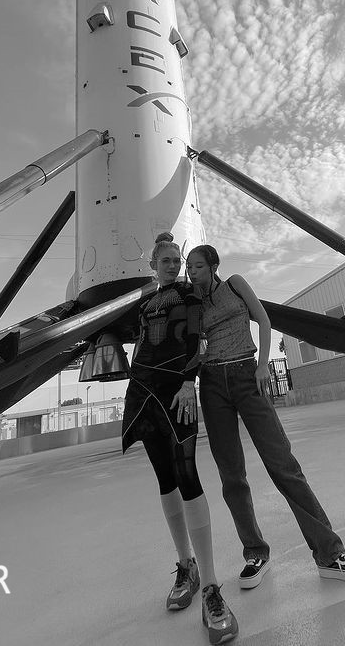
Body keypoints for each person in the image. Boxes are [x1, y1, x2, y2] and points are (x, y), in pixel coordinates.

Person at [185, 244, 345, 590]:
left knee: (283, 464)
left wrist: (261, 366)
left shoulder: (235, 284)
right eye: (188, 267)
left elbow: (264, 321)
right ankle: (255, 553)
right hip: (211, 384)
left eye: (197, 266)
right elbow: (190, 345)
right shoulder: (192, 302)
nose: (191, 272)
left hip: (246, 374)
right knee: (231, 475)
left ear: (213, 265)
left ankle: (330, 553)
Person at [120, 233, 238, 645]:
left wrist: (190, 381)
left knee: (188, 474)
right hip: (143, 392)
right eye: (166, 260)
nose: (172, 265)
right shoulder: (143, 306)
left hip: (177, 390)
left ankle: (211, 587)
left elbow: (196, 340)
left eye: (177, 260)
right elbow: (141, 346)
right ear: (153, 265)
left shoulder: (189, 296)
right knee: (164, 479)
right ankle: (185, 565)